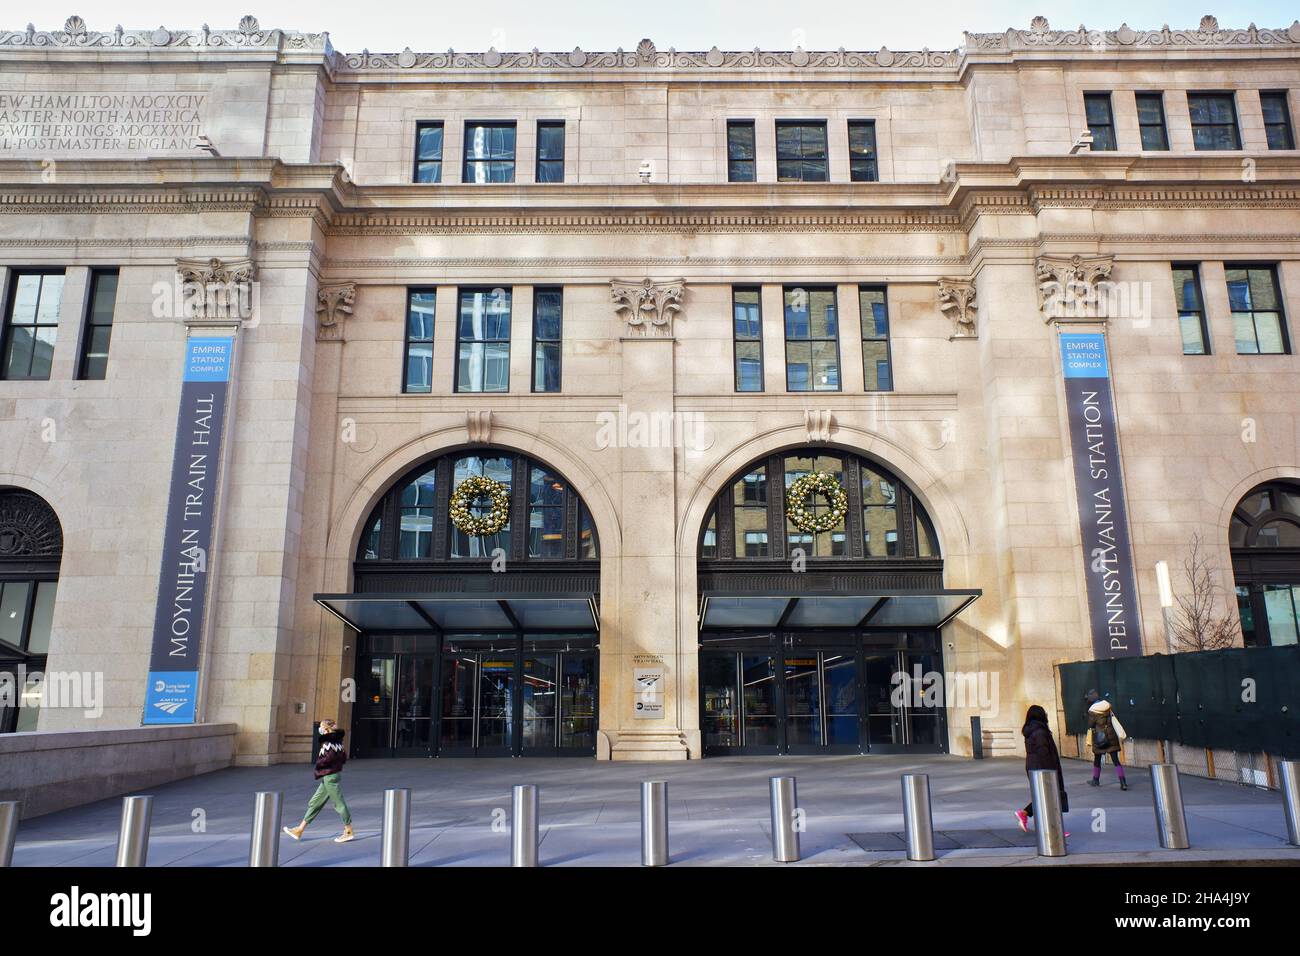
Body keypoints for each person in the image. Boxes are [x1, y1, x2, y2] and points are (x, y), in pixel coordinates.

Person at [283, 718, 354, 843]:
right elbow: (343, 758)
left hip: (329, 776)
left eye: (321, 727)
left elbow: (326, 760)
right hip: (331, 775)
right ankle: (299, 829)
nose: (320, 729)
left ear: (326, 729)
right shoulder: (338, 742)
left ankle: (348, 830)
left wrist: (321, 767)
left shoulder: (328, 743)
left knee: (339, 803)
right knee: (315, 802)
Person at [1014, 704, 1070, 834]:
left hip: (1034, 767)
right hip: (1043, 768)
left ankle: (1025, 813)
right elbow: (1043, 753)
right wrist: (1051, 772)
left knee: (1044, 797)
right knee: (1049, 798)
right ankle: (1054, 829)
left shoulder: (1031, 730)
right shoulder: (1040, 732)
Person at [1084, 689, 1128, 790]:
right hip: (1111, 736)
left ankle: (1096, 780)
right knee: (1116, 761)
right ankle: (1123, 782)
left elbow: (1090, 725)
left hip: (1099, 738)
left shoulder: (1092, 711)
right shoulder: (1107, 707)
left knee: (1097, 759)